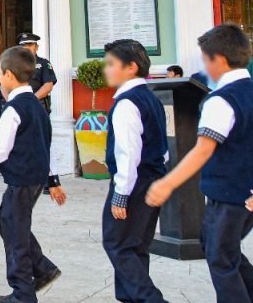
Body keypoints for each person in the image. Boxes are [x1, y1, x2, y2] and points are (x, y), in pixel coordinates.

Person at [146, 23, 253, 302]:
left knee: (221, 259)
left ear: (218, 60)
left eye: (205, 60)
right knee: (215, 246)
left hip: (232, 194)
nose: (204, 67)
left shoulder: (220, 101)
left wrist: (167, 184)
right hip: (238, 193)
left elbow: (202, 150)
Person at [0, 46, 67, 303]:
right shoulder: (38, 106)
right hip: (33, 178)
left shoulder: (13, 109)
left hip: (22, 179)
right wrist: (52, 179)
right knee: (8, 222)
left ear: (8, 75)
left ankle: (23, 292)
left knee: (15, 232)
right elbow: (47, 145)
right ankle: (42, 268)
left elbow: (0, 150)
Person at [100, 39, 168, 303]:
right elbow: (163, 148)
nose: (106, 70)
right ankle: (129, 298)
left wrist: (121, 193)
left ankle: (150, 299)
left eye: (111, 64)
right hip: (151, 178)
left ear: (131, 67)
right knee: (136, 246)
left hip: (135, 182)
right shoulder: (151, 98)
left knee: (117, 243)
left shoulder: (127, 104)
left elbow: (128, 154)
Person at [16, 33, 57, 113]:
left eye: (30, 45)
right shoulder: (14, 64)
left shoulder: (44, 63)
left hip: (37, 107)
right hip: (18, 107)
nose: (27, 48)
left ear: (37, 47)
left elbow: (48, 86)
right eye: (24, 45)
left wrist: (30, 99)